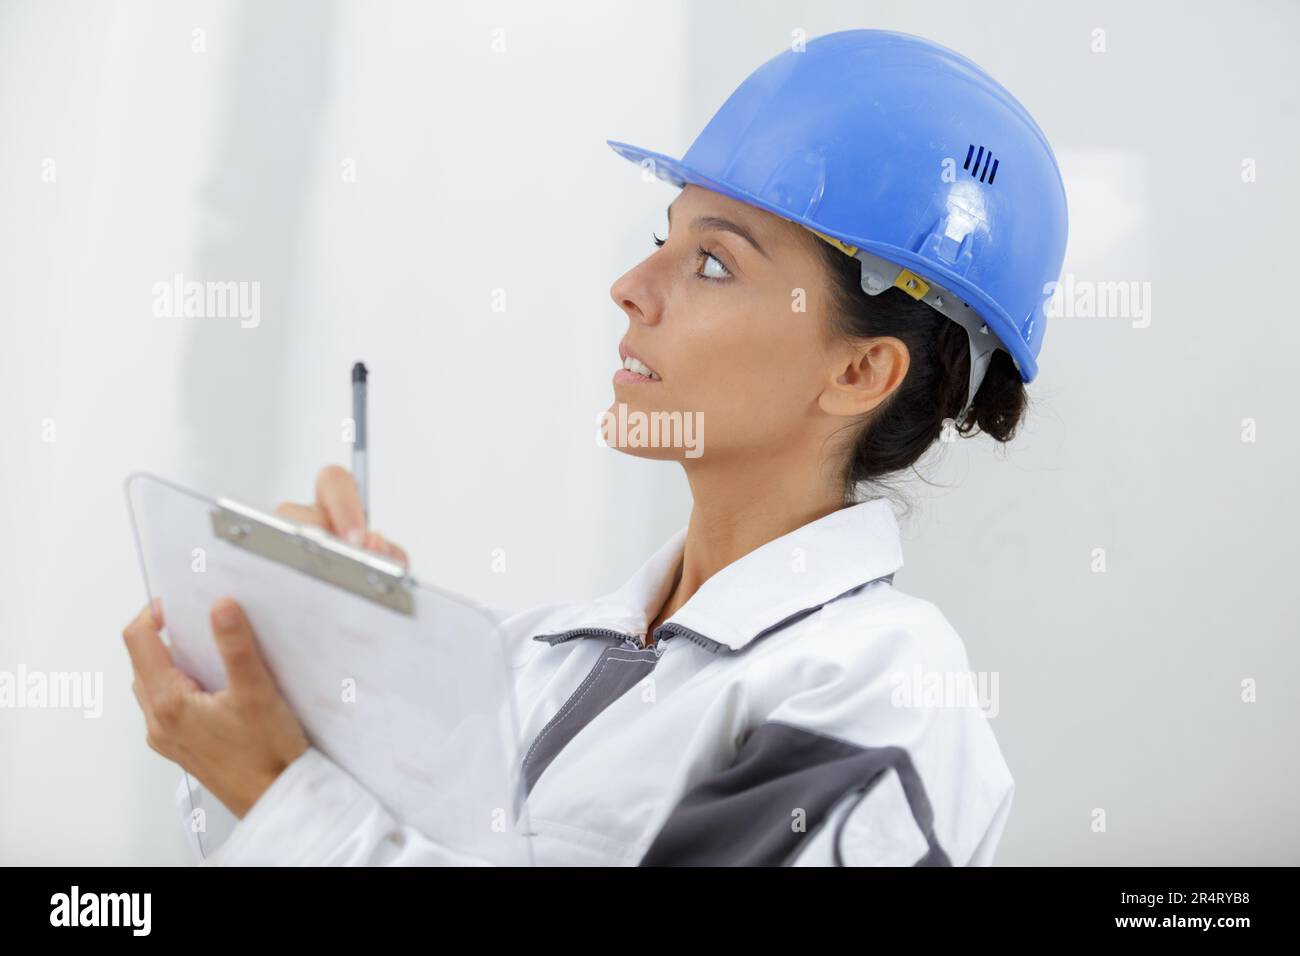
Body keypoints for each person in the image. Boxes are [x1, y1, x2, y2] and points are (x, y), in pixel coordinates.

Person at [123, 28, 1068, 866]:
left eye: (712, 261)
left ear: (861, 372)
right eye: (665, 239)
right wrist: (317, 690)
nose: (630, 286)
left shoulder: (876, 688)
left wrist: (292, 801)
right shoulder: (528, 660)